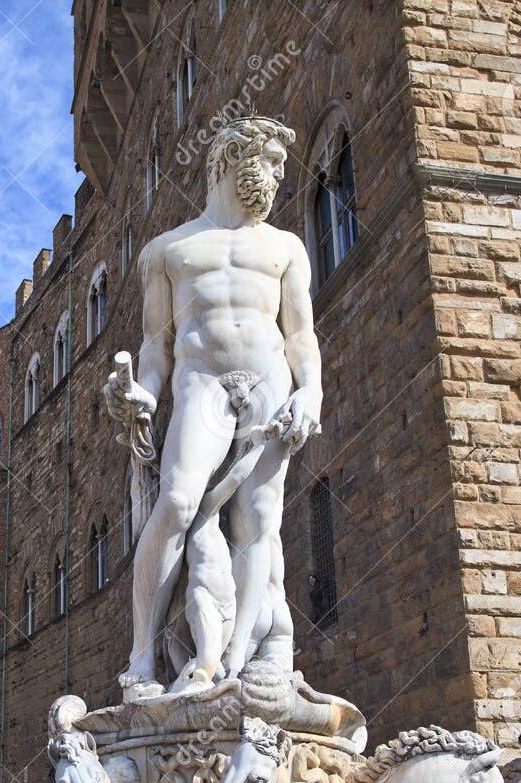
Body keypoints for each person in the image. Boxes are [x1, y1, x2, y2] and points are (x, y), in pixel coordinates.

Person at [105, 117, 321, 699]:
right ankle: (142, 658)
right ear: (231, 158)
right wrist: (142, 393)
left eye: (281, 166)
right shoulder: (168, 251)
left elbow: (300, 336)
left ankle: (240, 663)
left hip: (271, 380)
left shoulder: (285, 248)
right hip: (201, 381)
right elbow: (157, 348)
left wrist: (312, 391)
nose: (278, 177)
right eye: (270, 162)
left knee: (258, 520)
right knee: (175, 503)